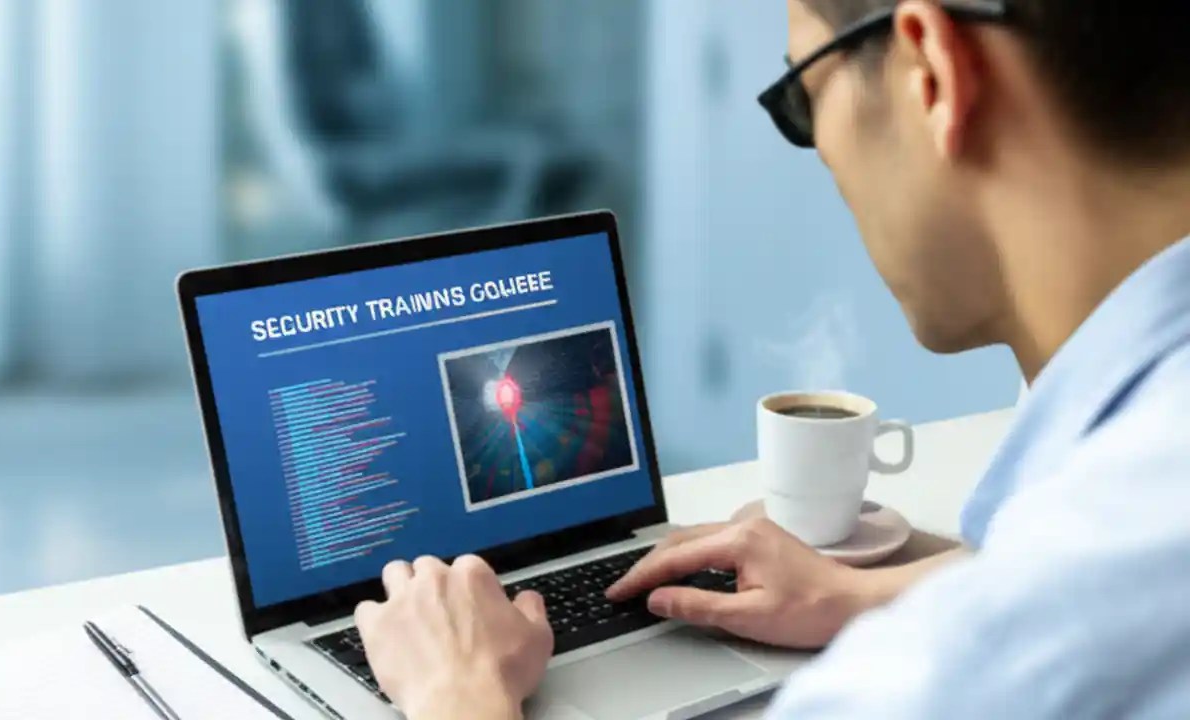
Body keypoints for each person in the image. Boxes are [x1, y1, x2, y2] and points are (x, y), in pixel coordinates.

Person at [352, 0, 1190, 717]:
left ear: (931, 71)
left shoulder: (954, 671)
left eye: (801, 96)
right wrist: (865, 592)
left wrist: (458, 691)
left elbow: (1051, 611)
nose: (821, 149)